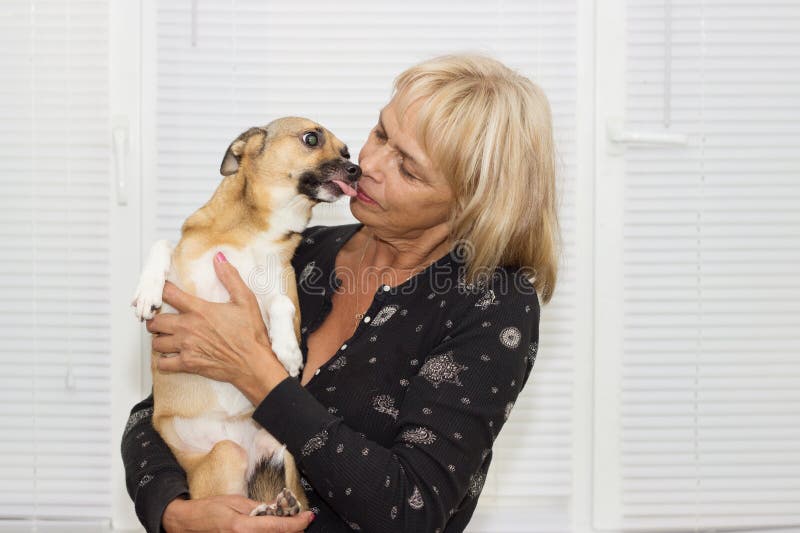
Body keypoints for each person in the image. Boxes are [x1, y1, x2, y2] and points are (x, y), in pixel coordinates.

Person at [121, 53, 560, 533]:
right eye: (381, 132)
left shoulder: (491, 304)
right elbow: (158, 411)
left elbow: (412, 510)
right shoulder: (299, 253)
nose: (365, 164)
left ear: (471, 202)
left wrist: (257, 372)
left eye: (408, 170)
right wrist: (176, 514)